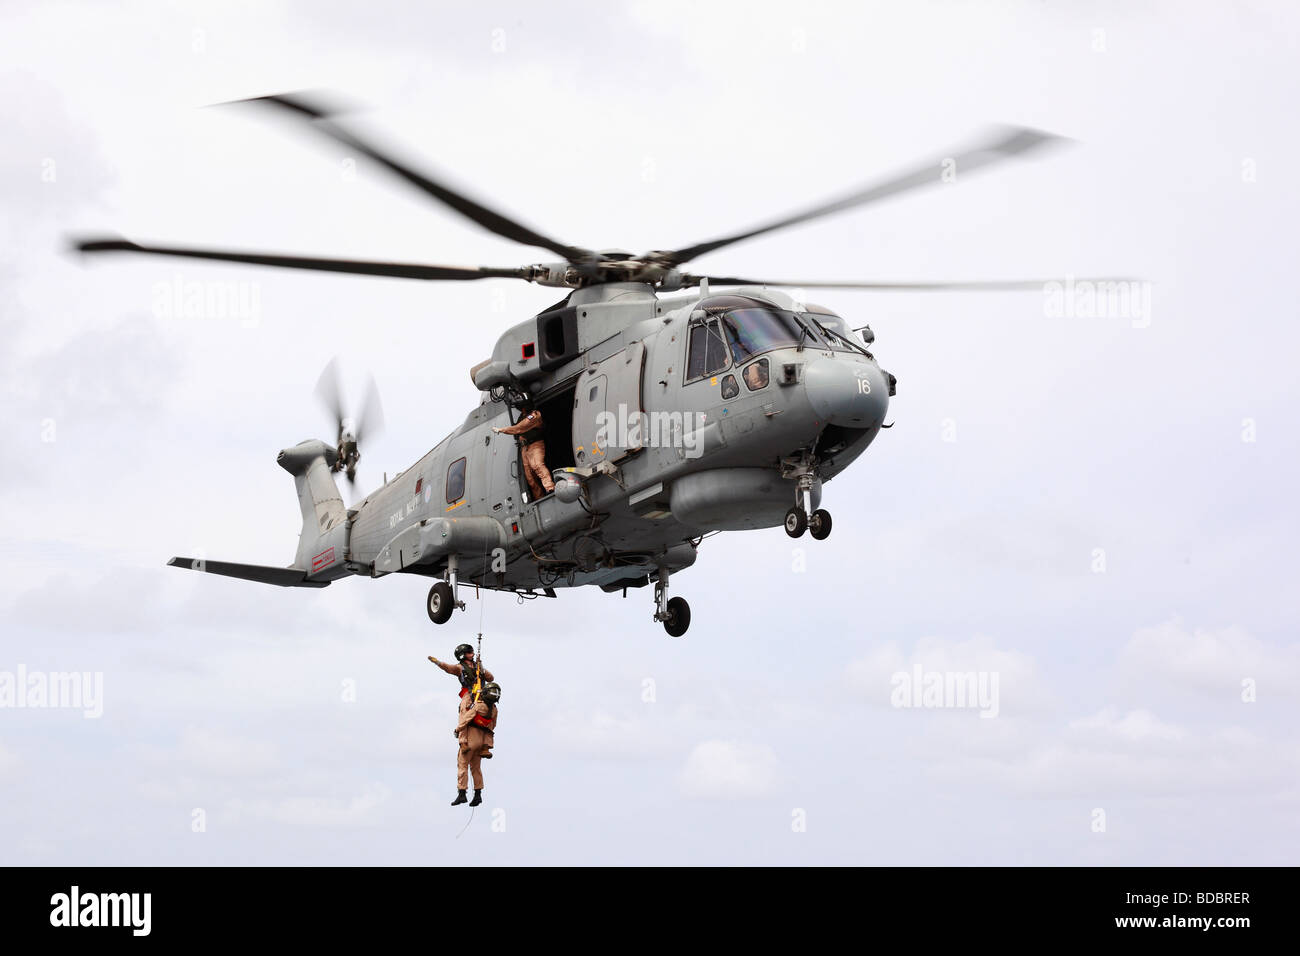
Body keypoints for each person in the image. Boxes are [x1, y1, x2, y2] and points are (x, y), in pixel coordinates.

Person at [451, 681, 500, 807]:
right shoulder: (494, 710)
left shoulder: (478, 706)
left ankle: (462, 793)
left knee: (462, 765)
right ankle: (478, 794)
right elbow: (492, 726)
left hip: (470, 740)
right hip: (482, 742)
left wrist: (457, 729)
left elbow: (466, 719)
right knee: (476, 768)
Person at [493, 400, 554, 501]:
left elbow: (520, 428)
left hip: (535, 445)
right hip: (525, 448)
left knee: (538, 465)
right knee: (530, 477)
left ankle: (550, 487)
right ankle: (539, 497)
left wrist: (501, 430)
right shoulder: (523, 416)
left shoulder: (534, 416)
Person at [428, 644, 493, 700]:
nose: (472, 654)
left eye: (472, 651)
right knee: (466, 707)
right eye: (469, 652)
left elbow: (490, 678)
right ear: (462, 655)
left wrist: (482, 670)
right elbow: (448, 668)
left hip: (482, 695)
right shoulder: (460, 668)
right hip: (469, 696)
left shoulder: (477, 666)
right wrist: (437, 662)